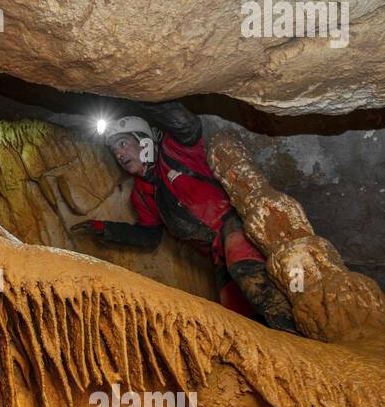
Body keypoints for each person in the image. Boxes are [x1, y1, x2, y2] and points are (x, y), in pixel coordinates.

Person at [71, 101, 298, 333]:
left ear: (145, 142)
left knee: (249, 274)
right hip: (216, 254)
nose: (119, 153)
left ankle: (295, 337)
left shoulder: (174, 152)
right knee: (237, 314)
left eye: (123, 143)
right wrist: (105, 229)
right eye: (114, 150)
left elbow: (189, 127)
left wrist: (146, 96)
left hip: (234, 226)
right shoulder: (142, 194)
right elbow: (149, 236)